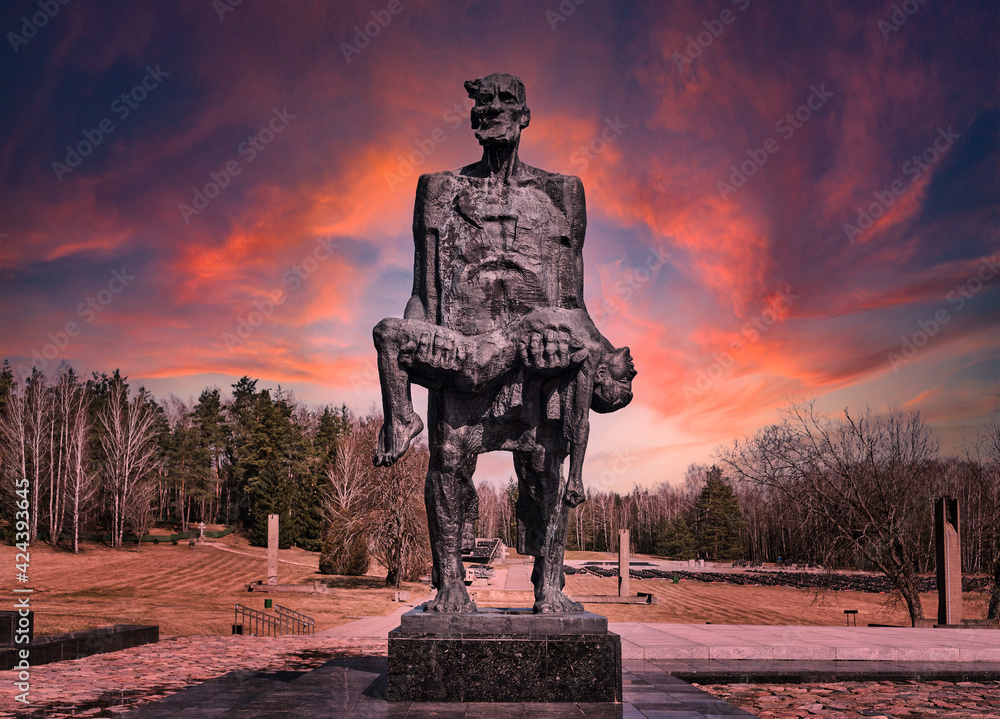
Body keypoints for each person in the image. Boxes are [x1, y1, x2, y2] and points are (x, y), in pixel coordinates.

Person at [372, 73, 635, 613]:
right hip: (465, 354)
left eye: (504, 101)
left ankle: (549, 586)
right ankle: (449, 585)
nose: (491, 110)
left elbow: (574, 301)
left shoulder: (562, 193)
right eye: (481, 102)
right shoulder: (440, 190)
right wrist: (422, 343)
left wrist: (605, 358)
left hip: (539, 365)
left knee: (544, 469)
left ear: (525, 115)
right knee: (447, 461)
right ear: (472, 118)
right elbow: (421, 293)